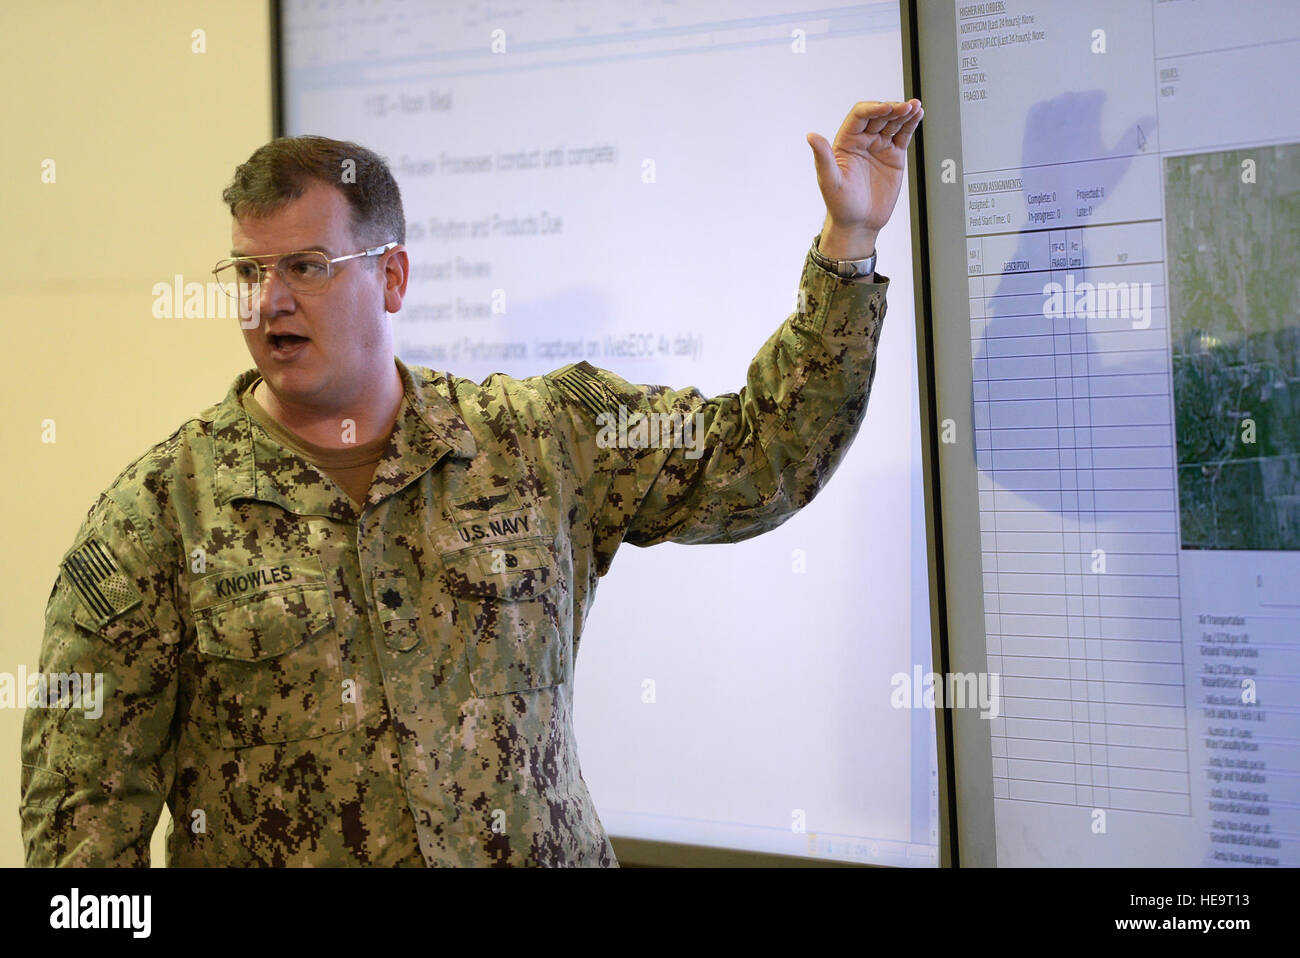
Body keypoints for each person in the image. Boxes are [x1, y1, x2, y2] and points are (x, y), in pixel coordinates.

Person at [20, 98, 923, 866]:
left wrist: (850, 244)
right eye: (248, 273)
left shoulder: (540, 438)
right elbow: (79, 847)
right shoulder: (154, 521)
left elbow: (762, 458)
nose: (269, 301)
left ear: (393, 276)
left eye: (305, 267)